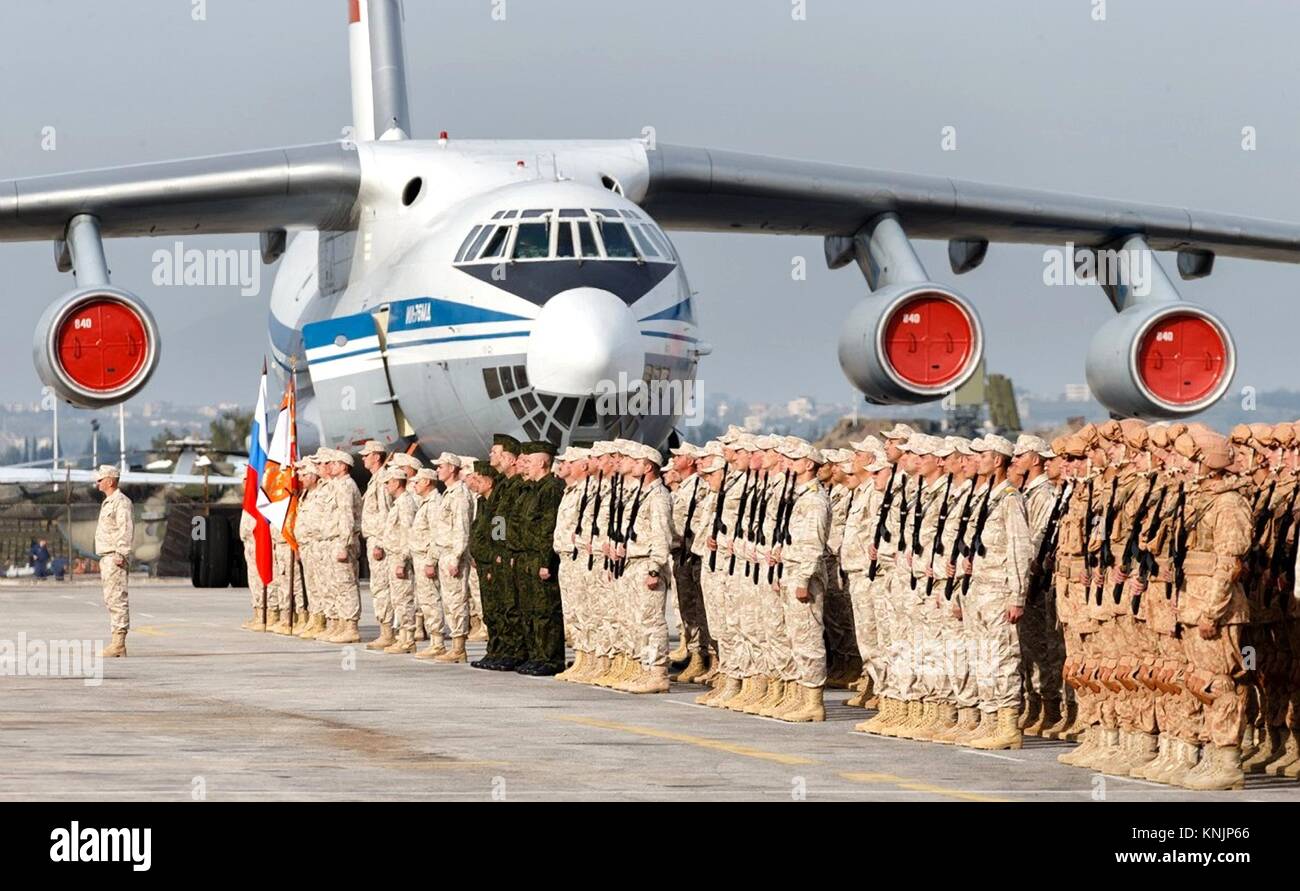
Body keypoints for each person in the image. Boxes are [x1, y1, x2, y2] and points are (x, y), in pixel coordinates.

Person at [93, 465, 133, 658]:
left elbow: (125, 529)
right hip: (107, 557)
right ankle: (116, 642)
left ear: (110, 481)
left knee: (117, 598)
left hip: (114, 557)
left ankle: (118, 643)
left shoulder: (121, 502)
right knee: (111, 599)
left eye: (100, 480)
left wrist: (121, 553)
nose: (97, 483)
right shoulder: (109, 502)